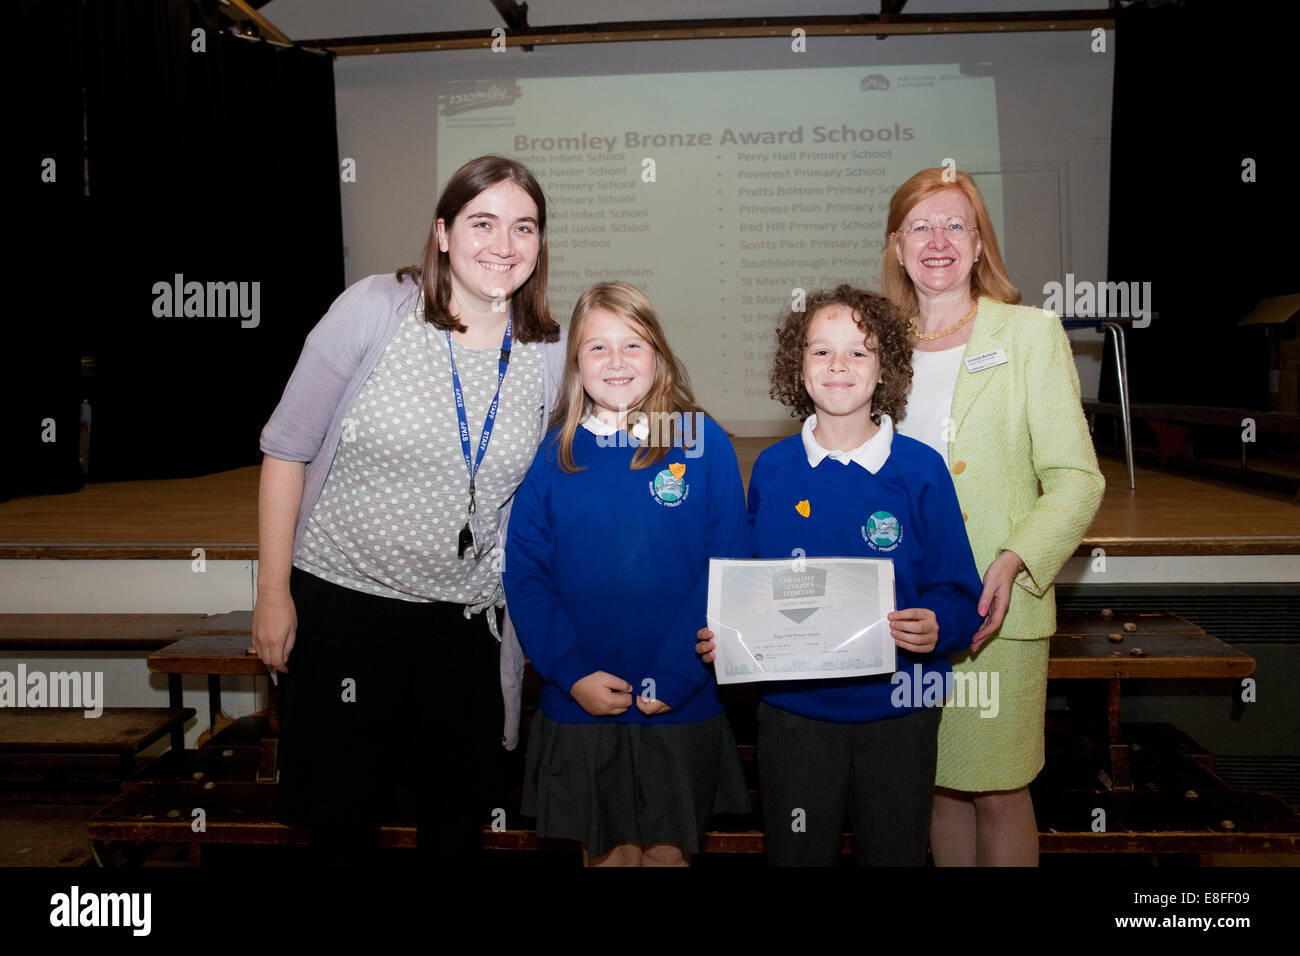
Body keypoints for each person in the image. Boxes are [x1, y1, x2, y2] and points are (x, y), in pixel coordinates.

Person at [252, 155, 566, 864]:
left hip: (464, 630)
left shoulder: (549, 352)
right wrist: (273, 591)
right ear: (444, 232)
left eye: (525, 227)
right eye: (482, 223)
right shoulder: (373, 309)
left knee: (456, 831)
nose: (504, 245)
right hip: (341, 612)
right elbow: (285, 450)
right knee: (341, 826)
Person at [702, 286, 984, 866]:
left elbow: (959, 589)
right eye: (821, 351)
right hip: (795, 717)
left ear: (886, 370)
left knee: (896, 853)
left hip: (900, 712)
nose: (839, 365)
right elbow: (753, 583)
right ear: (797, 368)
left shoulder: (921, 470)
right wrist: (727, 633)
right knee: (798, 853)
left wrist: (940, 624)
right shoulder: (774, 470)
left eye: (860, 352)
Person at [883, 167, 1106, 865]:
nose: (938, 240)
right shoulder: (877, 345)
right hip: (906, 609)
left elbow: (1075, 479)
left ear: (980, 245)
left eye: (956, 224)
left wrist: (1015, 559)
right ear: (896, 247)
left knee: (1001, 789)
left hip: (996, 607)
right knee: (941, 787)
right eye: (921, 226)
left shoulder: (1030, 333)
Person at [503, 281, 750, 867]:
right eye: (598, 348)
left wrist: (677, 670)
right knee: (606, 855)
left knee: (669, 853)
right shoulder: (553, 454)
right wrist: (572, 672)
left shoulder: (701, 442)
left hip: (680, 699)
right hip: (583, 701)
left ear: (659, 355)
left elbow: (729, 563)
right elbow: (527, 576)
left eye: (633, 345)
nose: (616, 362)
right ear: (575, 365)